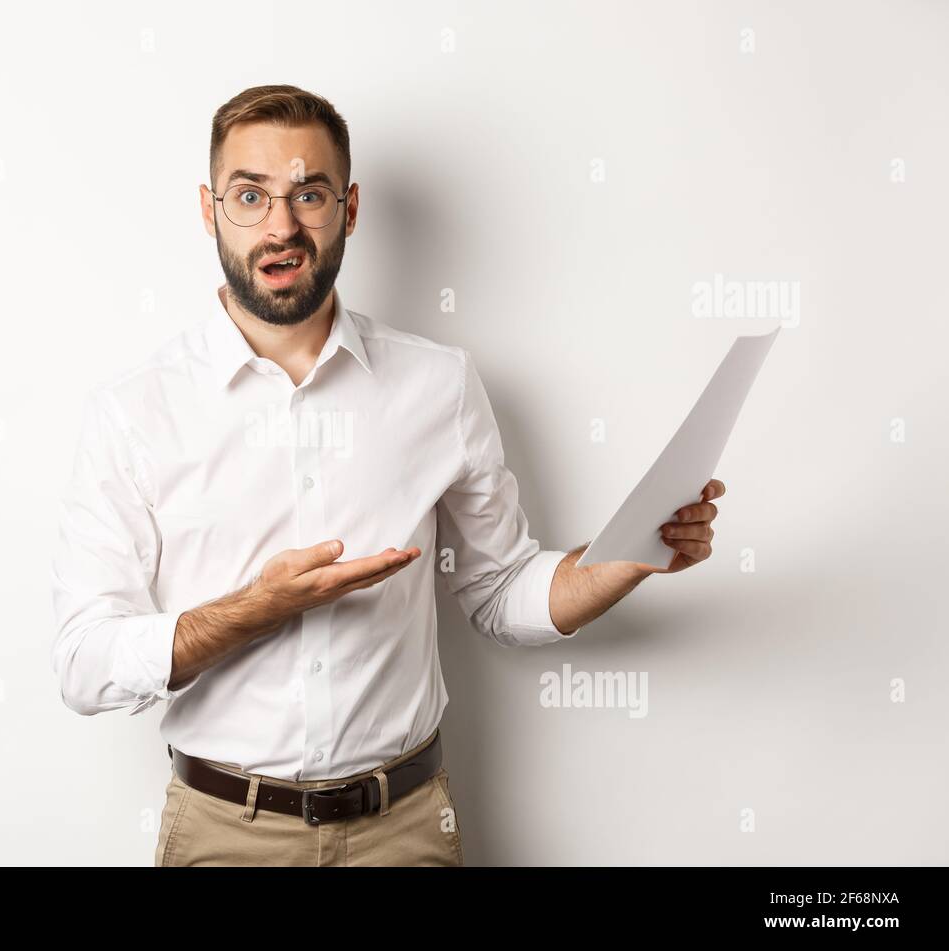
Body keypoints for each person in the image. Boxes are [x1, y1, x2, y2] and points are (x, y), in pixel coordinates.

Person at [50, 84, 725, 866]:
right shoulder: (134, 411)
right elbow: (83, 663)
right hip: (223, 834)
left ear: (350, 207)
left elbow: (500, 591)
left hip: (403, 833)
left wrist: (629, 555)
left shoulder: (438, 385)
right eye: (250, 196)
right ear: (209, 210)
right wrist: (251, 611)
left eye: (309, 194)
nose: (281, 225)